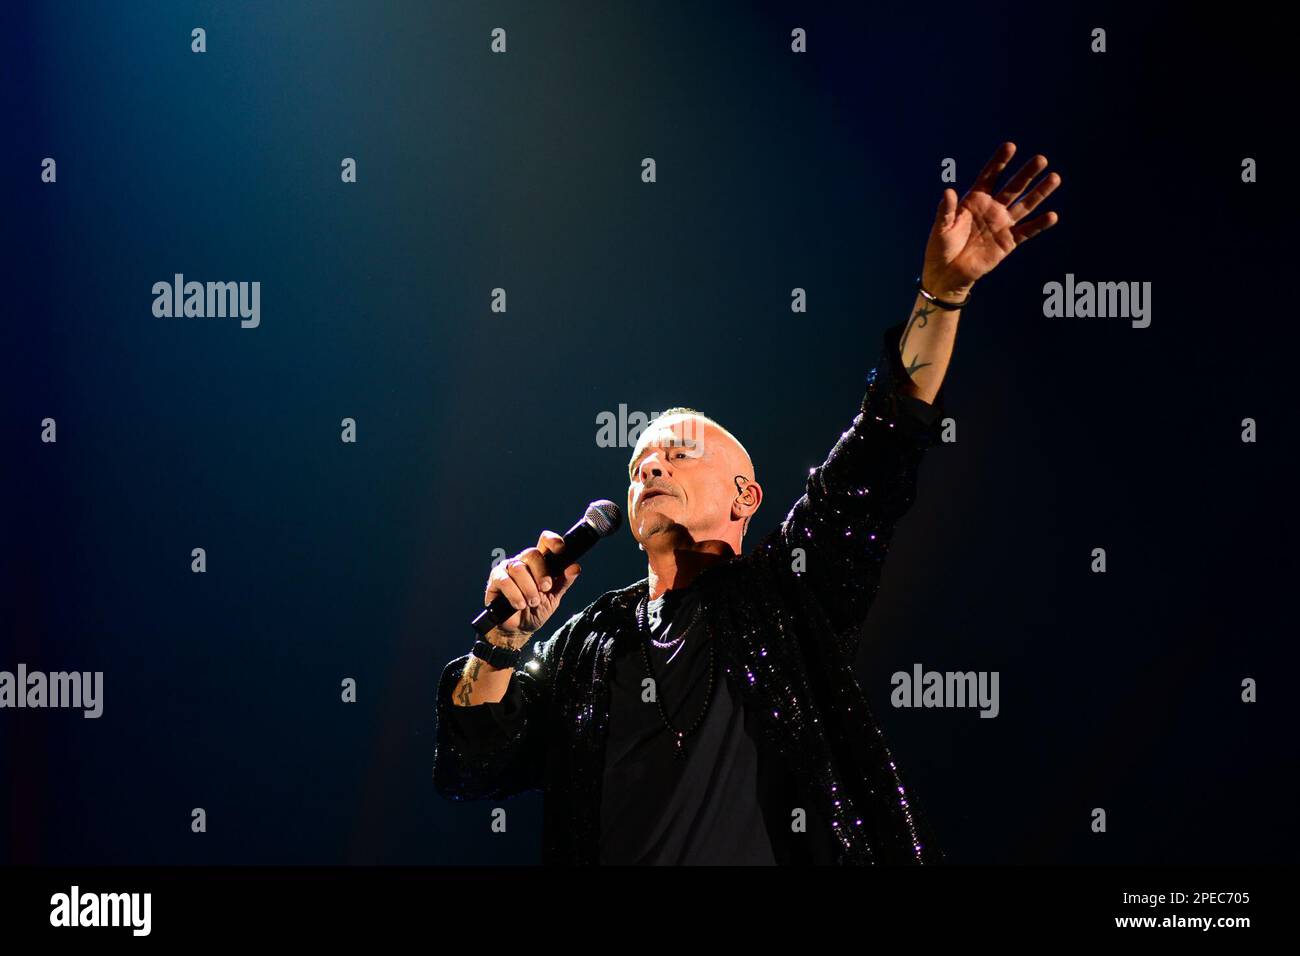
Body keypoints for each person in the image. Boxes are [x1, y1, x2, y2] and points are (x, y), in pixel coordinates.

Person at [434, 142, 1061, 864]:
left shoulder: (789, 595)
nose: (652, 464)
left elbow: (884, 444)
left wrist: (942, 296)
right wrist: (500, 647)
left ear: (746, 496)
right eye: (640, 461)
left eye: (679, 450)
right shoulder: (589, 644)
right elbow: (471, 769)